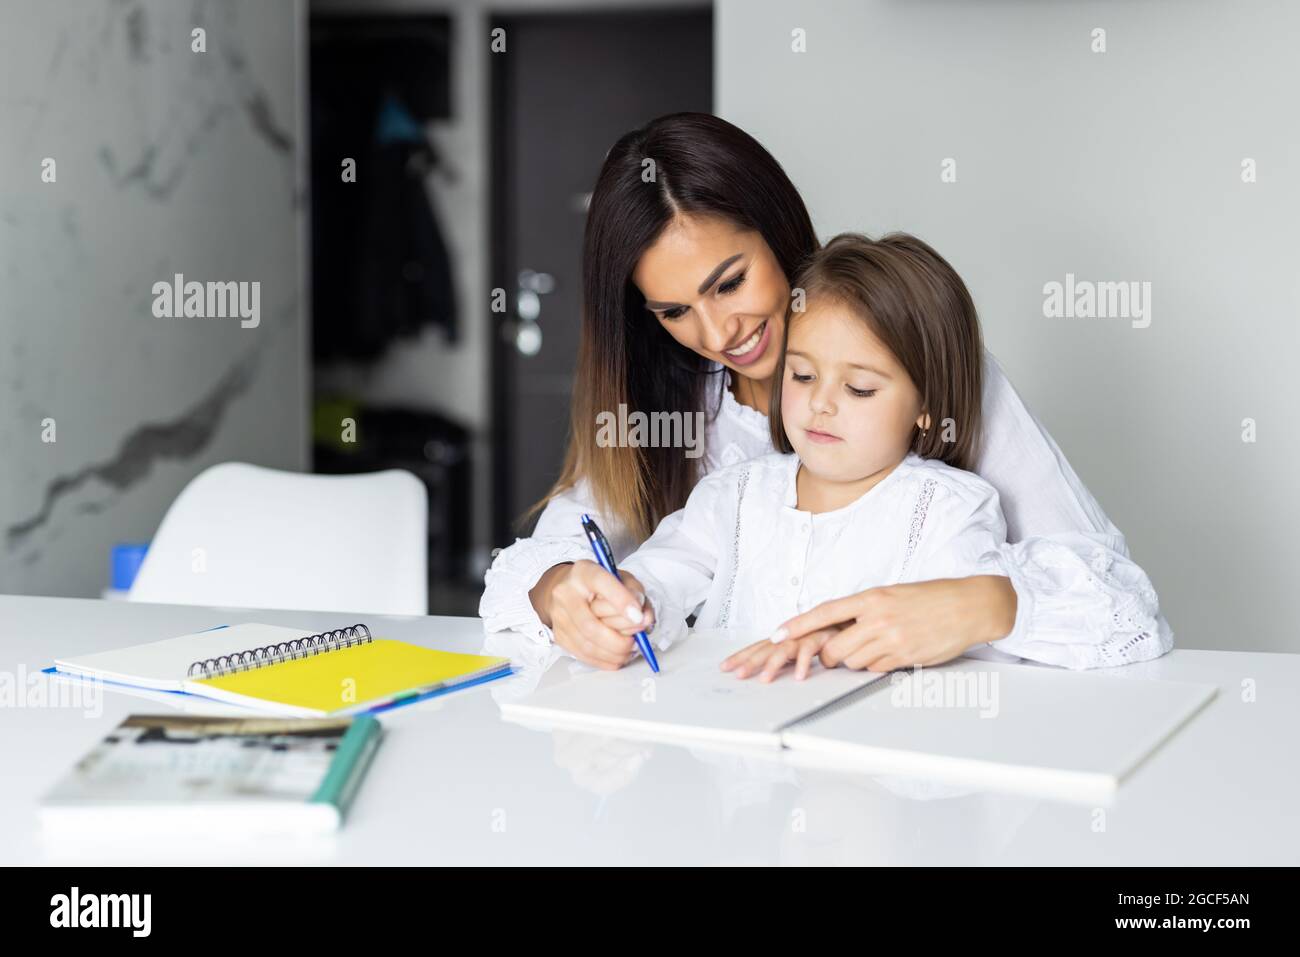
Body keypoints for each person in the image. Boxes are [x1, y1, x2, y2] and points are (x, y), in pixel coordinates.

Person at [480, 112, 1170, 674]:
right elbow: (576, 553)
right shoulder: (678, 421)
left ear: (776, 232)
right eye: (674, 311)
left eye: (729, 282)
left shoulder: (921, 372)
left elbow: (1120, 600)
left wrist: (982, 604)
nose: (720, 331)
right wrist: (563, 592)